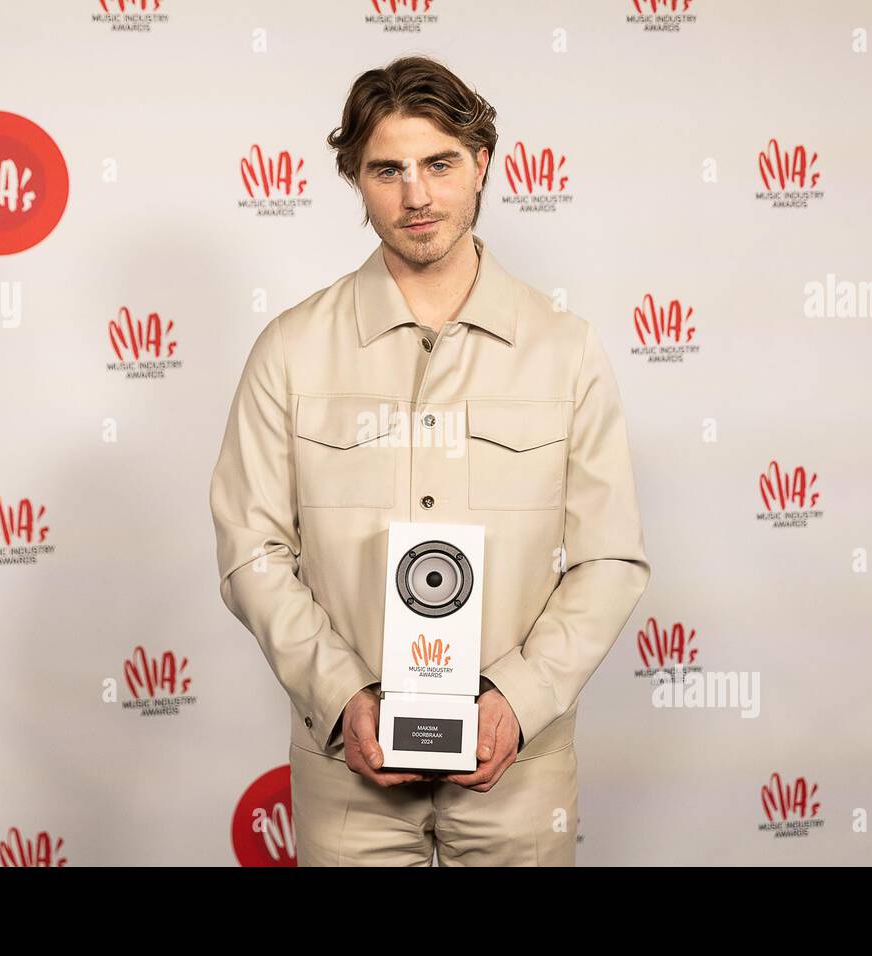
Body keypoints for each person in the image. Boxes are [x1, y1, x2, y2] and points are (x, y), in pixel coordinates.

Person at [208, 55, 650, 866]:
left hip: (519, 768)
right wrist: (343, 699)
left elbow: (610, 558)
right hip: (351, 772)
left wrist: (519, 699)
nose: (417, 195)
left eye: (440, 164)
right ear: (357, 182)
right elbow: (251, 552)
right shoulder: (293, 350)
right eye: (388, 170)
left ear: (482, 163)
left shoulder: (564, 350)